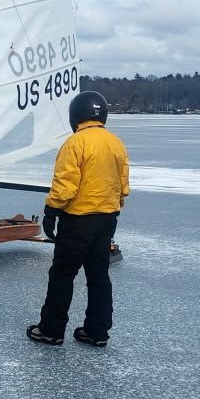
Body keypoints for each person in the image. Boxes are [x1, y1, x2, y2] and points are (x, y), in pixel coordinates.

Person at [26, 90, 130, 348]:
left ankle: (51, 330)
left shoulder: (76, 142)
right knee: (99, 276)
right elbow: (123, 185)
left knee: (62, 274)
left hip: (78, 220)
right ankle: (97, 332)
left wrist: (51, 212)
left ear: (76, 115)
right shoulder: (116, 143)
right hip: (107, 219)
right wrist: (111, 208)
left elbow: (65, 185)